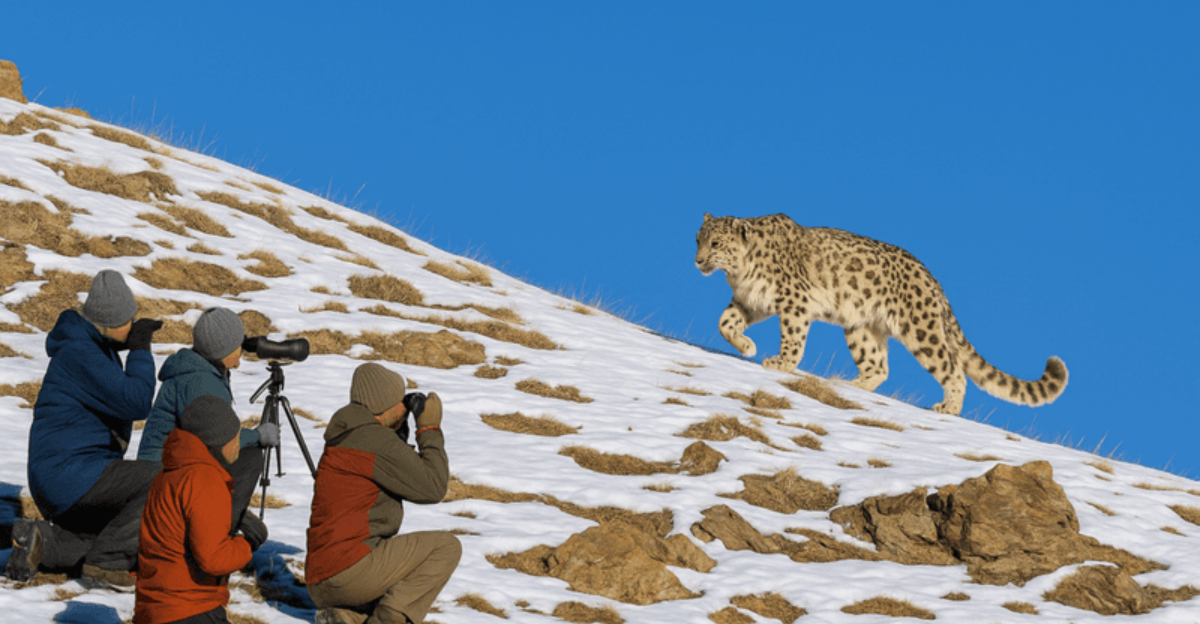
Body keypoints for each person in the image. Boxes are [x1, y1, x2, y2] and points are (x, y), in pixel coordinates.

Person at [7, 269, 163, 589]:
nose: (132, 326)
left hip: (65, 477)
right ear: (105, 322)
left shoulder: (87, 347)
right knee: (160, 478)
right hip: (70, 476)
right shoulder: (80, 353)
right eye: (126, 321)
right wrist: (140, 350)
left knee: (107, 536)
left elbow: (107, 374)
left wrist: (126, 344)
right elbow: (136, 402)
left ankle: (43, 541)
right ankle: (106, 566)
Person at [306, 363, 460, 624]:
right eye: (399, 402)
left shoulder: (346, 435)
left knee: (391, 566)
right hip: (350, 570)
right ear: (384, 405)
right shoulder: (374, 440)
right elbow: (433, 488)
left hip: (320, 578)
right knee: (446, 547)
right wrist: (429, 429)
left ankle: (346, 615)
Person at [136, 307, 279, 531]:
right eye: (237, 345)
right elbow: (220, 442)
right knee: (249, 458)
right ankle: (215, 536)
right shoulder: (200, 383)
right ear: (222, 350)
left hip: (165, 470)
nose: (242, 350)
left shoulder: (199, 369)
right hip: (161, 478)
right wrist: (259, 435)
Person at [135, 395, 269, 624]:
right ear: (217, 440)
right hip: (187, 609)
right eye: (234, 436)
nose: (239, 442)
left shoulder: (170, 473)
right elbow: (214, 559)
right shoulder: (204, 479)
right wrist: (247, 544)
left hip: (154, 607)